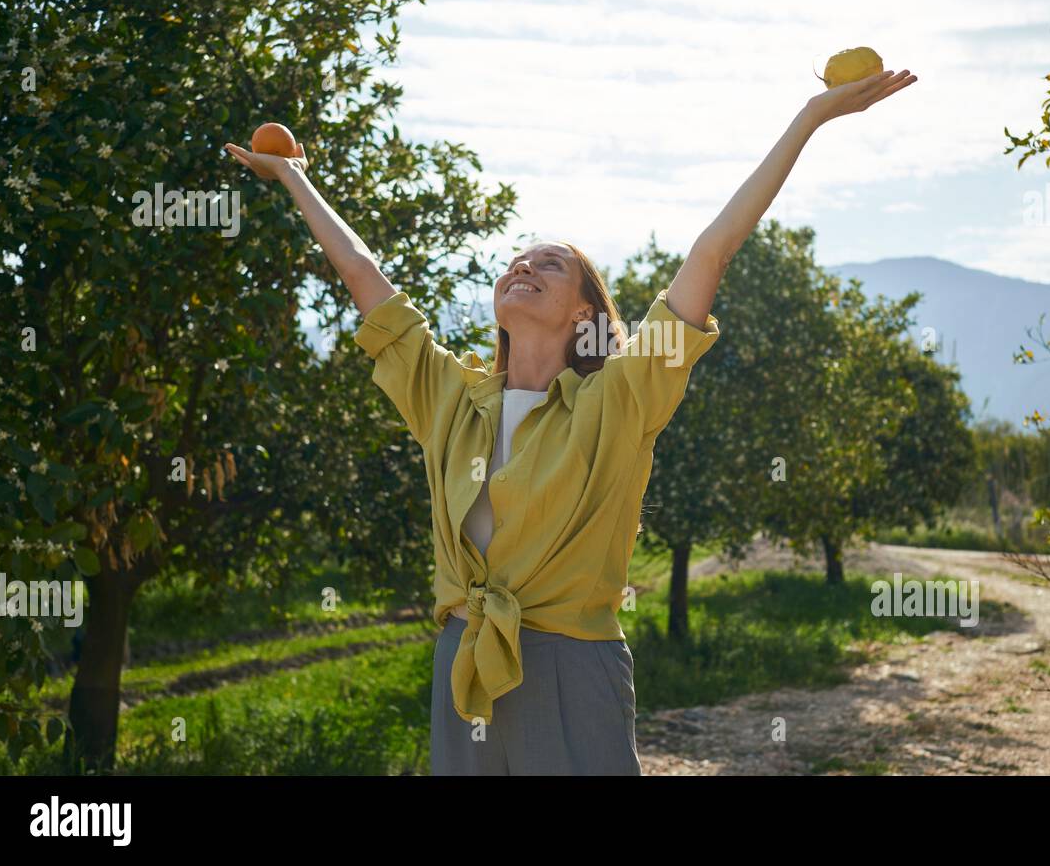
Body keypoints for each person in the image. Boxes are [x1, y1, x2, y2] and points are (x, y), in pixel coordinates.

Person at [223, 66, 917, 775]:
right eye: (517, 261)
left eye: (549, 265)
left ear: (585, 310)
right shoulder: (450, 397)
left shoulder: (621, 397)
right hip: (462, 660)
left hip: (569, 667)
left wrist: (808, 118)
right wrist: (292, 178)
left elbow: (712, 252)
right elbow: (364, 277)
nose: (524, 265)